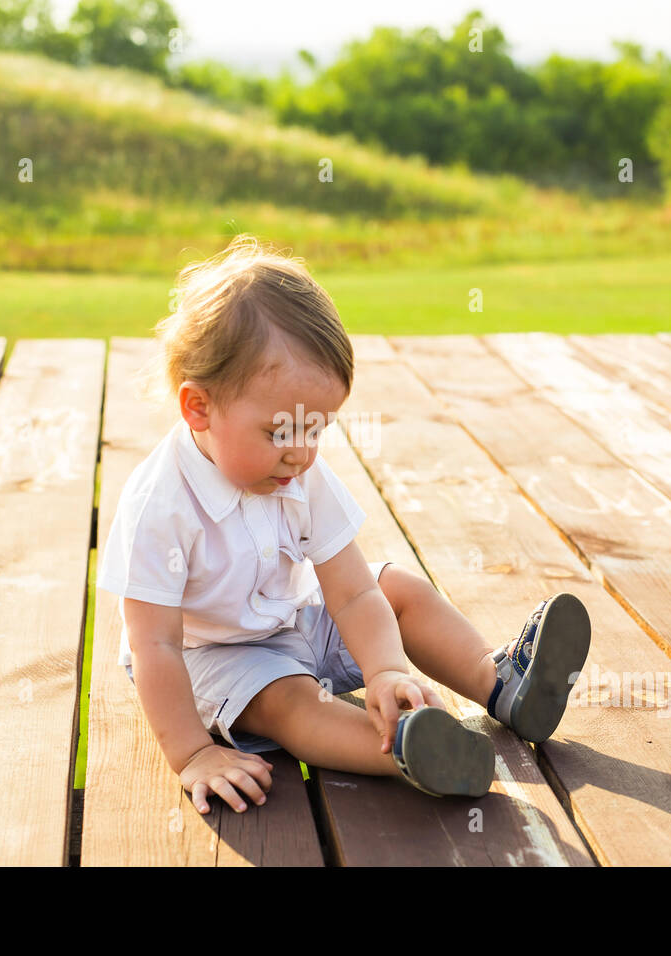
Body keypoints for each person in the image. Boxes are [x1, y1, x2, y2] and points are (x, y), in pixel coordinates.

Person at [96, 234, 591, 815]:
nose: (302, 452)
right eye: (281, 432)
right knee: (292, 703)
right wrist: (192, 754)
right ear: (198, 408)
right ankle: (407, 751)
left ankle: (501, 683)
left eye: (317, 428)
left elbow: (353, 591)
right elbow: (155, 644)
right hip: (212, 655)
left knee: (396, 588)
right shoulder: (162, 505)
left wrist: (384, 671)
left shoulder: (299, 471)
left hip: (293, 616)